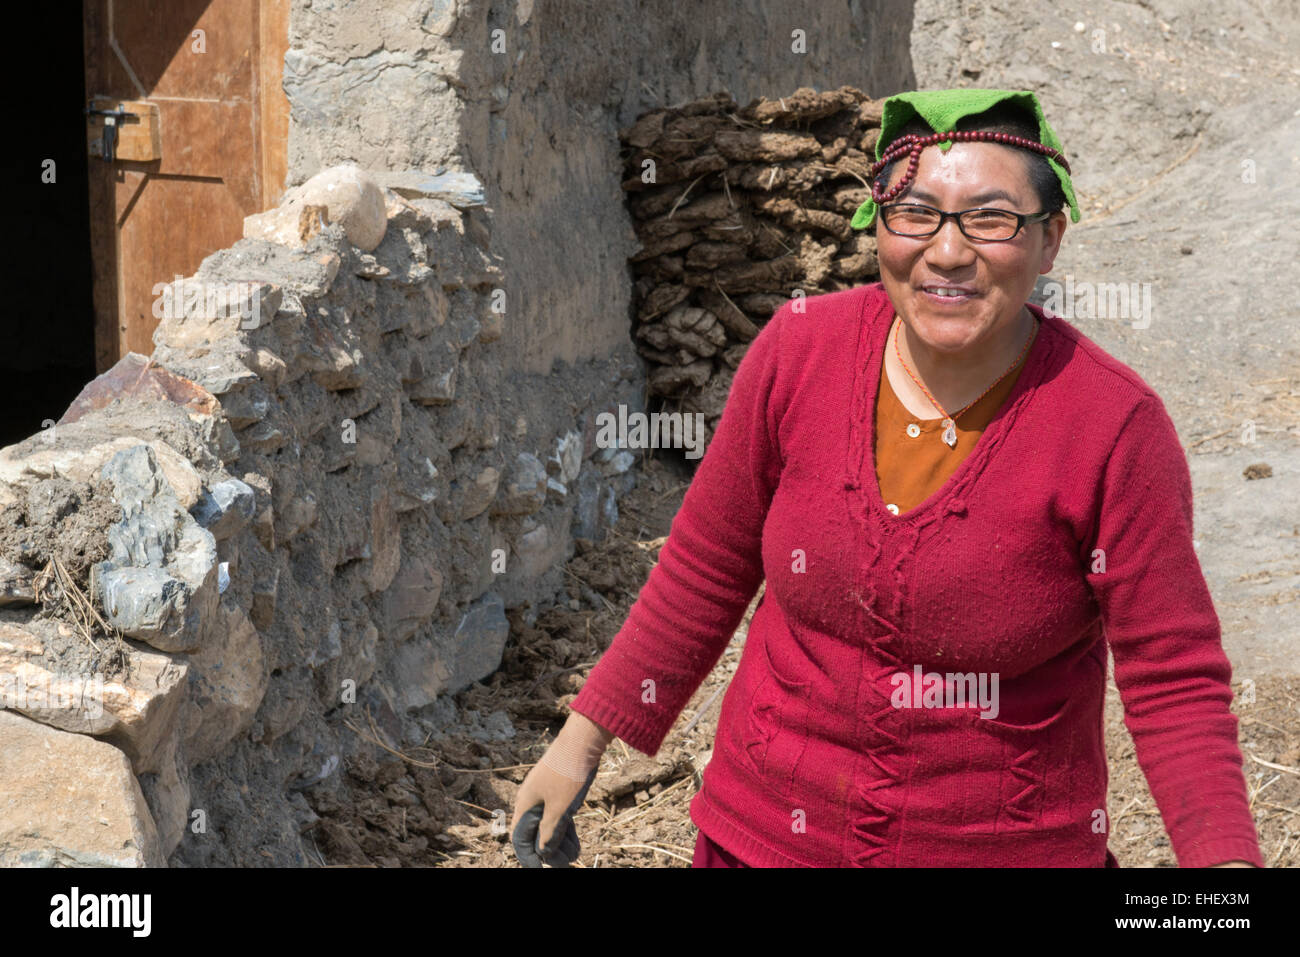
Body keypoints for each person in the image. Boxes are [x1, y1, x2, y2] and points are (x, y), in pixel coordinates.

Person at [510, 88, 1265, 868]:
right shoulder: (803, 352)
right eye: (917, 213)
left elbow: (1172, 677)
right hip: (760, 840)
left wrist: (1225, 871)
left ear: (1051, 240)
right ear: (881, 228)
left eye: (991, 217)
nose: (947, 251)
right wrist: (580, 743)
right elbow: (706, 565)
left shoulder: (1110, 426)